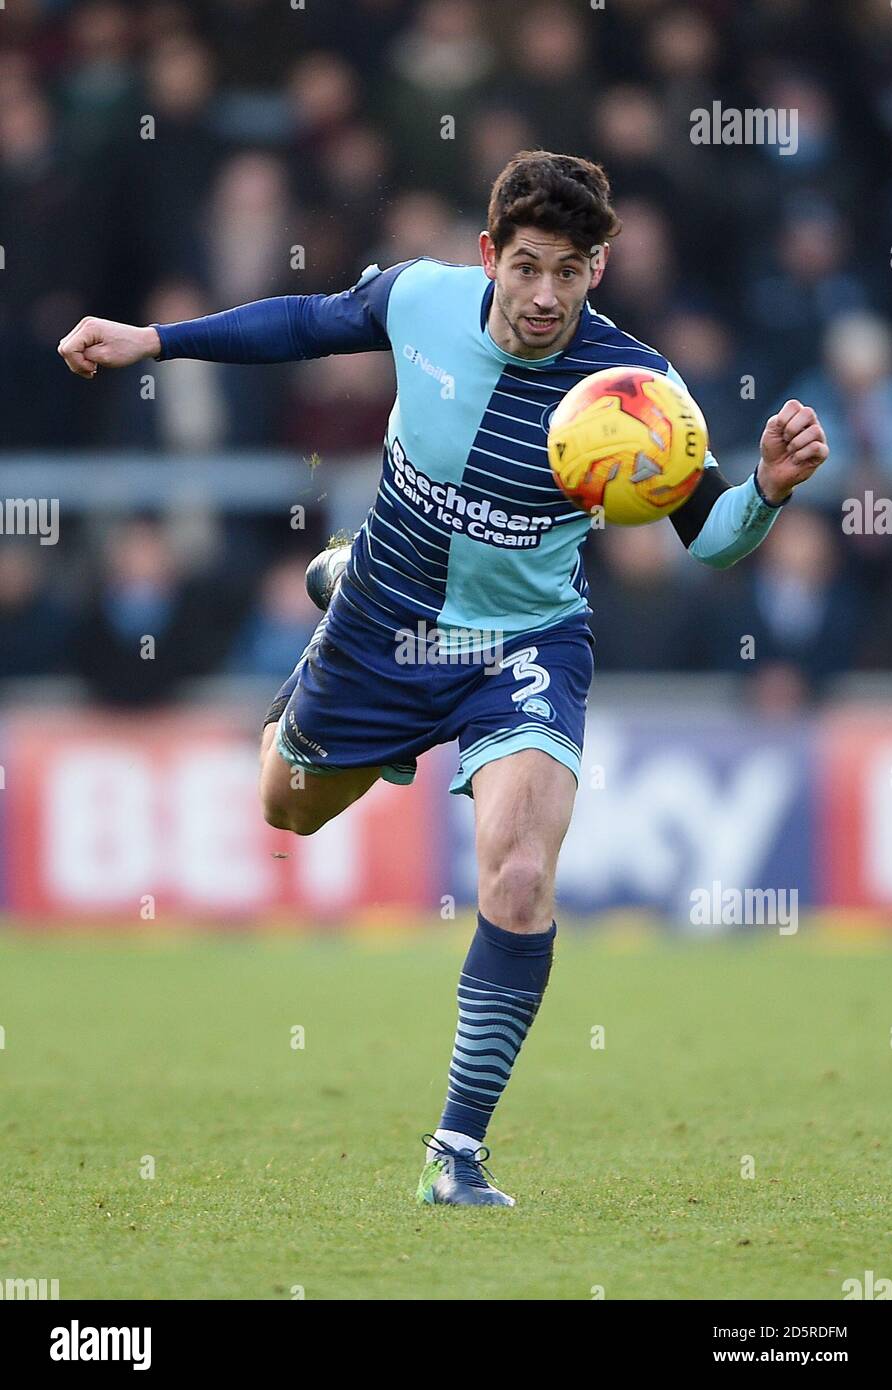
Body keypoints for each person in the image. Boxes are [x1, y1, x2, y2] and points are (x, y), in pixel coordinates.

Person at [58, 150, 829, 1207]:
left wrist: (770, 493)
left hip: (522, 645)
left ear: (597, 269)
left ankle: (456, 1152)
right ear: (487, 257)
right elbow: (305, 323)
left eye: (569, 269)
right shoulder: (421, 302)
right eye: (525, 268)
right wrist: (152, 340)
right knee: (285, 806)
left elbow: (712, 538)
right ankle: (333, 611)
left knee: (515, 878)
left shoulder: (633, 391)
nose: (545, 295)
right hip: (384, 621)